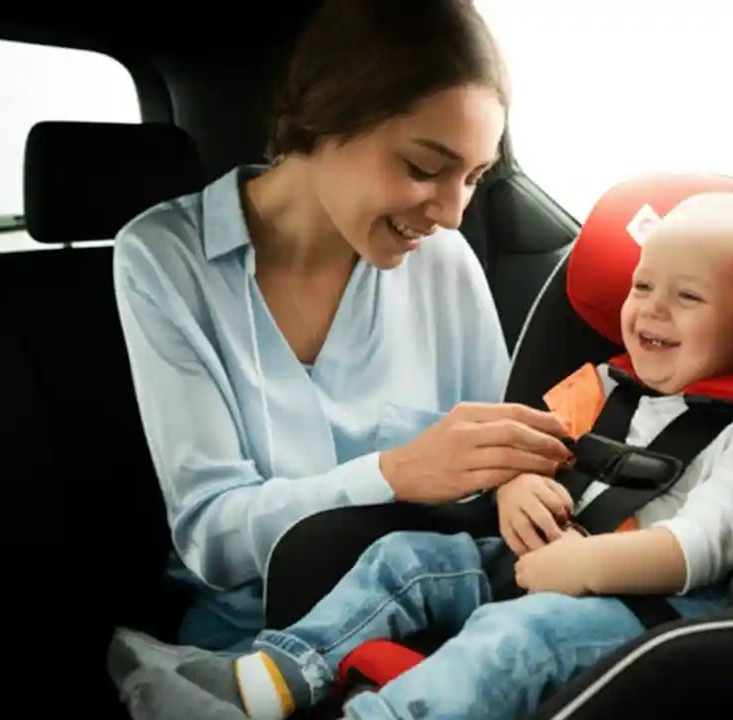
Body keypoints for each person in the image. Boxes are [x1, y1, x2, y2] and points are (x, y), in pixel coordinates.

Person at [109, 192, 733, 720]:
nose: (651, 309)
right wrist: (515, 487)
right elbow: (521, 446)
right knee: (405, 558)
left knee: (517, 632)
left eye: (686, 297)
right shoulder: (602, 384)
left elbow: (703, 546)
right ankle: (277, 674)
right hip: (539, 557)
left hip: (642, 610)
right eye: (643, 286)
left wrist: (588, 565)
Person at [111, 0, 571, 654]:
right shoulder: (166, 256)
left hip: (433, 618)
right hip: (256, 636)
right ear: (329, 117)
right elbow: (211, 537)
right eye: (423, 168)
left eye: (473, 178)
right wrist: (395, 473)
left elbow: (498, 446)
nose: (452, 214)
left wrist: (516, 477)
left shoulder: (442, 260)